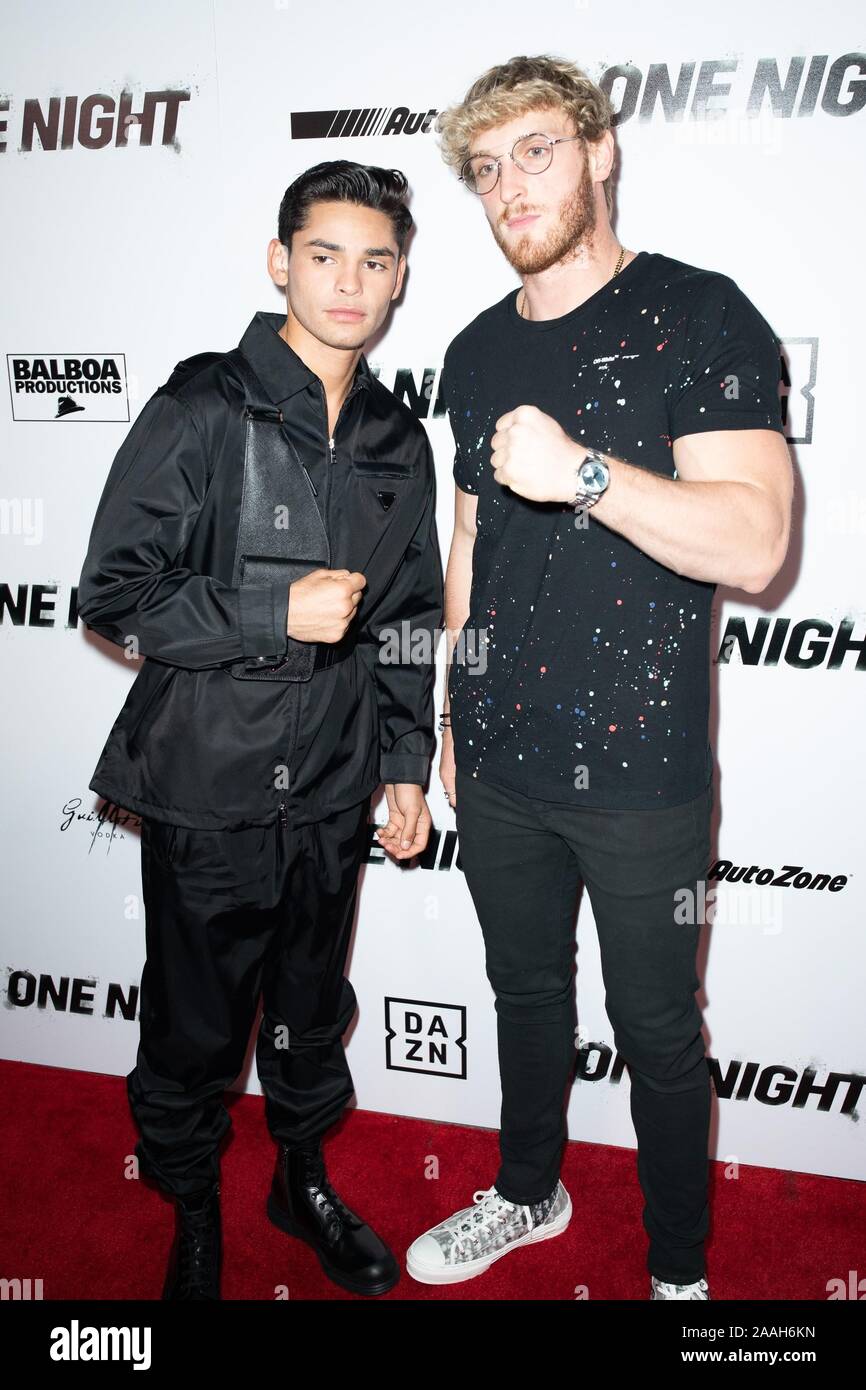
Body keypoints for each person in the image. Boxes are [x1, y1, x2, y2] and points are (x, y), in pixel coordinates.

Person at [406, 55, 792, 1299]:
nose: (509, 187)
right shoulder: (469, 352)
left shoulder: (698, 313)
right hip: (503, 760)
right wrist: (449, 713)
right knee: (521, 992)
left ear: (597, 151)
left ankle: (676, 1273)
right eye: (484, 169)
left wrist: (581, 470)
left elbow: (753, 541)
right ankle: (528, 1192)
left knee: (659, 1035)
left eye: (533, 151)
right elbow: (469, 545)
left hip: (641, 776)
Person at [77, 160, 443, 1300]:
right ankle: (191, 1207)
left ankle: (298, 1178)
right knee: (193, 1026)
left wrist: (403, 764)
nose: (348, 282)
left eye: (374, 261)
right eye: (324, 254)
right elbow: (111, 593)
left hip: (333, 785)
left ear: (397, 281)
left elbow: (412, 616)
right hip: (209, 783)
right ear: (280, 261)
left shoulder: (397, 438)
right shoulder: (200, 404)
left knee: (306, 1009)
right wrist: (264, 612)